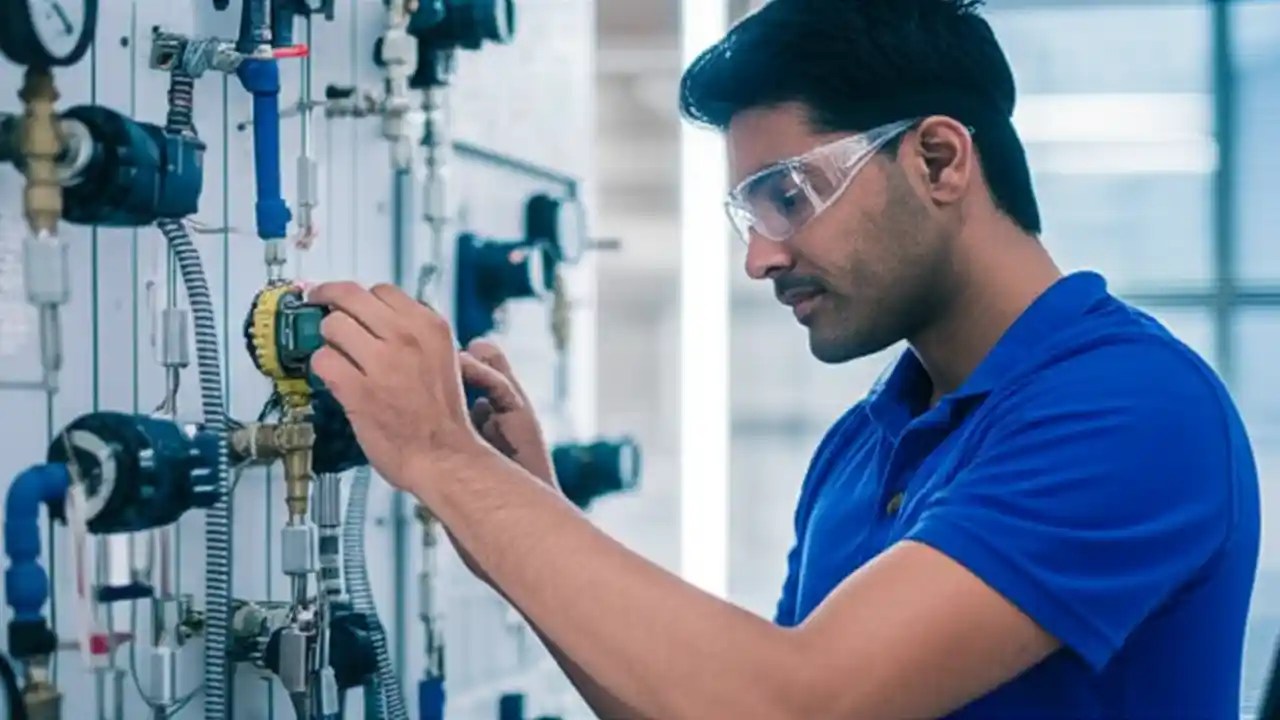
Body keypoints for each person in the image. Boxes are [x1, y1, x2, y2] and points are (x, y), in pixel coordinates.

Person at [306, 0, 1262, 717]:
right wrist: (513, 513)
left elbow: (796, 704)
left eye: (789, 196)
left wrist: (443, 455)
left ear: (937, 160)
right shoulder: (862, 445)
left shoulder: (1133, 409)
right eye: (749, 215)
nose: (759, 255)